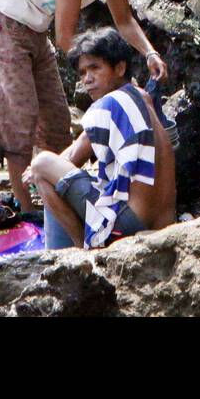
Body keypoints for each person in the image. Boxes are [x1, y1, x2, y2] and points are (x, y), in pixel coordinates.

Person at [0, 0, 170, 212]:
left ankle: (52, 192)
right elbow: (66, 39)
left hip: (35, 27)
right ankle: (27, 208)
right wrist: (105, 87)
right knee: (20, 117)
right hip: (2, 18)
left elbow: (123, 19)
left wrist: (150, 53)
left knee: (56, 117)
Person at [28, 29, 176, 249]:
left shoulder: (109, 104)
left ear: (120, 68)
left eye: (95, 68)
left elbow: (70, 159)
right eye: (82, 73)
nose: (87, 79)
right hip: (164, 224)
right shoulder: (143, 98)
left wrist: (33, 173)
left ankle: (77, 252)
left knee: (41, 165)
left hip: (130, 224)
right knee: (55, 172)